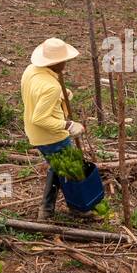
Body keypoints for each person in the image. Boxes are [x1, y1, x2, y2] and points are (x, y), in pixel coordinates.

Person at [21, 38, 85, 221]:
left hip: (34, 132)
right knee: (69, 169)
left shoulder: (31, 71)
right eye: (63, 61)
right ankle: (77, 208)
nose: (66, 64)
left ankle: (47, 210)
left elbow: (33, 95)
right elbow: (40, 118)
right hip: (51, 136)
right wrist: (69, 125)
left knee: (57, 168)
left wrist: (61, 97)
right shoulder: (51, 87)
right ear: (55, 63)